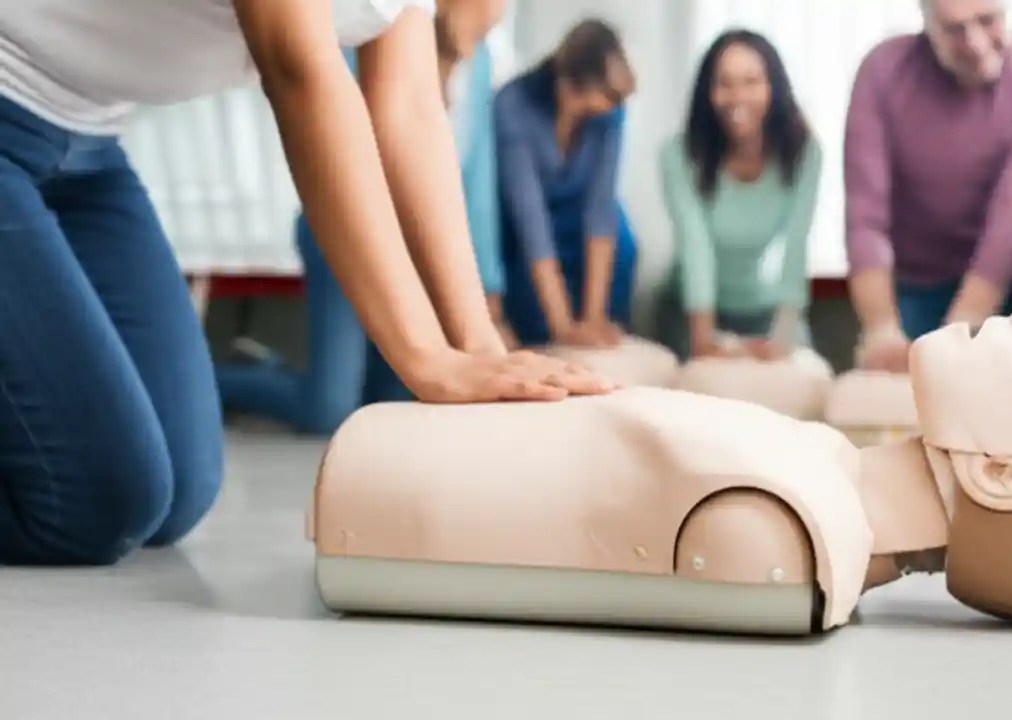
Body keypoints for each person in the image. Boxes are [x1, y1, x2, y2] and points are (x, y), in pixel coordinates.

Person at [0, 0, 608, 566]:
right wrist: (426, 359)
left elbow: (408, 107)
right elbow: (299, 68)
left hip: (88, 146)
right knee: (93, 501)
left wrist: (479, 348)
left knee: (180, 494)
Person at [216, 2, 516, 435]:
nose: (482, 32)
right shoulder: (364, 24)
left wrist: (484, 320)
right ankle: (223, 375)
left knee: (397, 399)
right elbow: (305, 79)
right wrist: (429, 353)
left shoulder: (478, 62)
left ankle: (275, 363)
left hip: (416, 241)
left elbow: (477, 179)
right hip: (345, 223)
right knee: (328, 411)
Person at [845, 0, 1012, 372]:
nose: (974, 43)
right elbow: (865, 217)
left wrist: (958, 336)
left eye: (988, 20)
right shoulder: (883, 69)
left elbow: (1011, 216)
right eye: (954, 29)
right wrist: (881, 330)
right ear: (926, 24)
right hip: (920, 283)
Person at [657, 30, 822, 361]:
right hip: (689, 309)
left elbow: (796, 245)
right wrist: (704, 340)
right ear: (708, 91)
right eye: (725, 83)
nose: (738, 97)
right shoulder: (677, 154)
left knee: (800, 363)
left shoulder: (805, 152)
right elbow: (695, 248)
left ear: (773, 87)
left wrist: (782, 340)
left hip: (760, 306)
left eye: (751, 81)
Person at [495, 19, 639, 349]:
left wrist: (593, 318)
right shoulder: (513, 105)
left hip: (577, 218)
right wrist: (564, 328)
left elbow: (600, 208)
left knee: (625, 241)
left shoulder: (610, 113)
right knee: (537, 315)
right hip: (525, 231)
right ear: (565, 81)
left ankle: (605, 321)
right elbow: (531, 221)